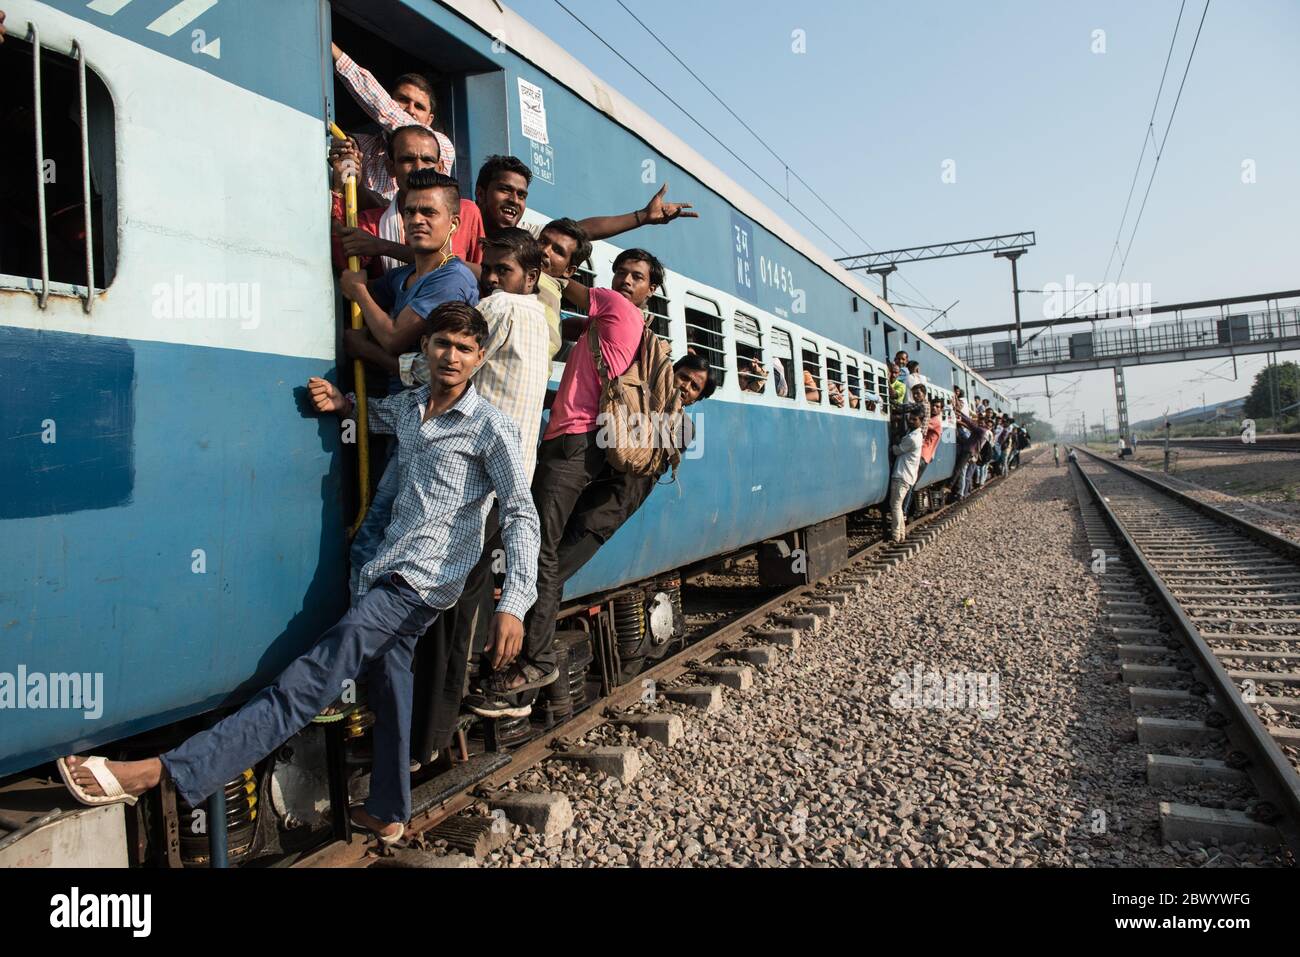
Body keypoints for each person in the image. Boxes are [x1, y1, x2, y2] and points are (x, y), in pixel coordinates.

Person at [59, 306, 540, 844]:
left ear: (480, 358)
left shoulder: (491, 426)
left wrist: (513, 602)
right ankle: (389, 810)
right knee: (391, 684)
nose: (451, 357)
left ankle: (163, 771)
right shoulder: (412, 408)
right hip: (387, 569)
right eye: (443, 344)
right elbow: (376, 413)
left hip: (422, 582)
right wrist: (344, 403)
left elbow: (521, 511)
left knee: (311, 677)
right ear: (425, 348)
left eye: (464, 348)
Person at [466, 352, 716, 718]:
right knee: (537, 573)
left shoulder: (682, 427)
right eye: (683, 376)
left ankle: (522, 687)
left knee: (542, 576)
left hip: (598, 519)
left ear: (696, 399)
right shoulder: (644, 399)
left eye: (694, 387)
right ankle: (513, 674)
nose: (685, 386)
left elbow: (631, 433)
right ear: (671, 372)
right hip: (580, 503)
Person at [497, 248, 688, 697]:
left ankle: (538, 659)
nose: (624, 280)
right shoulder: (617, 327)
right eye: (620, 272)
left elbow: (563, 285)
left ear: (650, 290)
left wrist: (540, 259)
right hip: (585, 440)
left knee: (540, 547)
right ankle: (528, 640)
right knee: (548, 547)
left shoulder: (616, 308)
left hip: (576, 441)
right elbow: (571, 337)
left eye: (636, 276)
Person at [338, 169, 478, 363]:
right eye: (410, 212)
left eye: (429, 212)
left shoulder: (452, 280)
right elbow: (348, 287)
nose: (417, 220)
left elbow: (393, 339)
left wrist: (358, 290)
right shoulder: (402, 276)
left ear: (453, 224)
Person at [330, 126, 483, 275]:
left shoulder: (466, 212)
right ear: (390, 168)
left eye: (427, 160)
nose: (418, 168)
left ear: (440, 167)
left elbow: (484, 274)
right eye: (407, 160)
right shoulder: (372, 222)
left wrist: (383, 246)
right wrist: (339, 187)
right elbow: (343, 261)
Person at [331, 43, 455, 206]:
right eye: (403, 100)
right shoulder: (366, 146)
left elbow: (389, 112)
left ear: (429, 119)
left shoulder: (441, 145)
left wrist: (333, 52)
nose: (410, 110)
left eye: (419, 106)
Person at [904, 396, 943, 517]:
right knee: (910, 482)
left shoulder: (935, 421)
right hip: (922, 455)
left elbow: (918, 423)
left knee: (911, 483)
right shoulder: (932, 419)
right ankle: (906, 510)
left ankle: (904, 511)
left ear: (941, 410)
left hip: (922, 456)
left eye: (938, 407)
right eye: (933, 406)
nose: (935, 409)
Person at [888, 413, 924, 542]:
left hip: (902, 475)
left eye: (915, 419)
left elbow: (897, 450)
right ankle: (901, 533)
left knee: (896, 505)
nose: (911, 421)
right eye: (910, 418)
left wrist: (892, 446)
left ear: (921, 421)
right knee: (898, 505)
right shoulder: (916, 435)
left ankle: (896, 535)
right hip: (907, 476)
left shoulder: (913, 438)